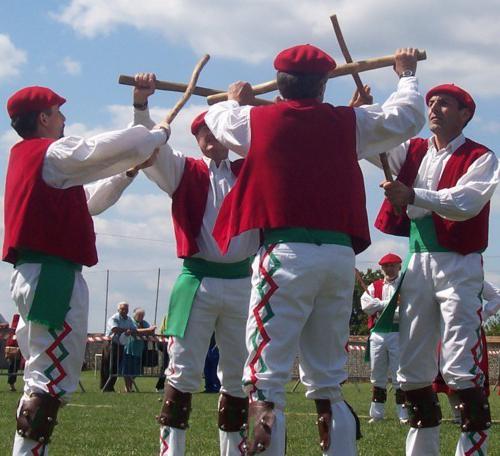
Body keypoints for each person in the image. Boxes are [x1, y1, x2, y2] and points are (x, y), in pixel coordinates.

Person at [205, 45, 425, 455]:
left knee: (266, 380)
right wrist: (406, 73)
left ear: (282, 85)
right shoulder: (348, 123)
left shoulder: (256, 120)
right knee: (327, 380)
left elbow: (219, 120)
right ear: (323, 85)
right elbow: (407, 117)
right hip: (339, 257)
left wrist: (235, 97)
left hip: (285, 254)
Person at [3, 85, 168, 456]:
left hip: (41, 273)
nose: (64, 119)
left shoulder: (41, 164)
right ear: (43, 118)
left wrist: (128, 172)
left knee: (43, 377)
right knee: (47, 381)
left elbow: (91, 203)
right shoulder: (53, 154)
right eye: (58, 112)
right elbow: (101, 149)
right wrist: (157, 134)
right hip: (53, 277)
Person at [131, 73, 260, 456]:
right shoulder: (183, 170)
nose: (213, 138)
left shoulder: (252, 170)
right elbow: (145, 144)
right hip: (197, 282)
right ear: (198, 140)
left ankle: (234, 451)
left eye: (217, 131)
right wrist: (141, 105)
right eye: (204, 133)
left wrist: (244, 109)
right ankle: (172, 452)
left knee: (237, 374)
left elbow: (290, 141)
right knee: (183, 370)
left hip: (242, 282)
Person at [375, 83, 499, 455]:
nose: (433, 107)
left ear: (465, 114)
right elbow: (372, 144)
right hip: (418, 263)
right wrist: (366, 115)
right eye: (430, 102)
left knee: (461, 361)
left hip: (458, 264)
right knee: (412, 367)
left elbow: (466, 202)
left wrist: (414, 195)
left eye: (444, 103)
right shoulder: (412, 151)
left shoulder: (481, 156)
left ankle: (472, 450)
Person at [433, 280, 500, 422]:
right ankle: (458, 415)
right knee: (447, 373)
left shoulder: (475, 278)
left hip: (471, 331)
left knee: (471, 374)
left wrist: (483, 315)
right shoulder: (439, 279)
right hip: (446, 331)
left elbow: (497, 296)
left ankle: (471, 413)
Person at [360, 253, 408, 424]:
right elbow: (366, 306)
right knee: (377, 374)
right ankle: (377, 414)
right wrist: (388, 303)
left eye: (393, 265)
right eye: (386, 266)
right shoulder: (374, 286)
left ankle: (403, 413)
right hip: (378, 333)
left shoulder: (405, 286)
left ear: (399, 267)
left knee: (399, 373)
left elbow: (404, 311)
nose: (389, 269)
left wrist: (379, 304)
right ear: (381, 269)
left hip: (397, 332)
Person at [100, 302, 137, 392]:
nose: (124, 311)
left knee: (116, 367)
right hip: (110, 344)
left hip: (120, 345)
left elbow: (134, 328)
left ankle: (110, 386)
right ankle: (105, 387)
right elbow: (114, 329)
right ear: (118, 310)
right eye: (122, 309)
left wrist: (131, 331)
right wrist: (127, 330)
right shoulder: (114, 318)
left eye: (126, 309)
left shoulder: (129, 319)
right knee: (108, 365)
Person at [121, 307, 156, 392]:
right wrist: (147, 330)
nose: (141, 317)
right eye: (139, 315)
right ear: (134, 315)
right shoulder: (130, 321)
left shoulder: (144, 323)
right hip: (128, 349)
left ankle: (130, 386)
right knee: (127, 370)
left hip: (139, 350)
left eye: (142, 316)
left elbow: (151, 332)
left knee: (136, 371)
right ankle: (127, 387)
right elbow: (134, 330)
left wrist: (147, 330)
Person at [4, 314, 24, 392]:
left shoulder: (13, 332)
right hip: (13, 353)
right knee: (12, 368)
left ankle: (12, 384)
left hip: (17, 353)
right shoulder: (12, 332)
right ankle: (11, 385)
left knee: (14, 368)